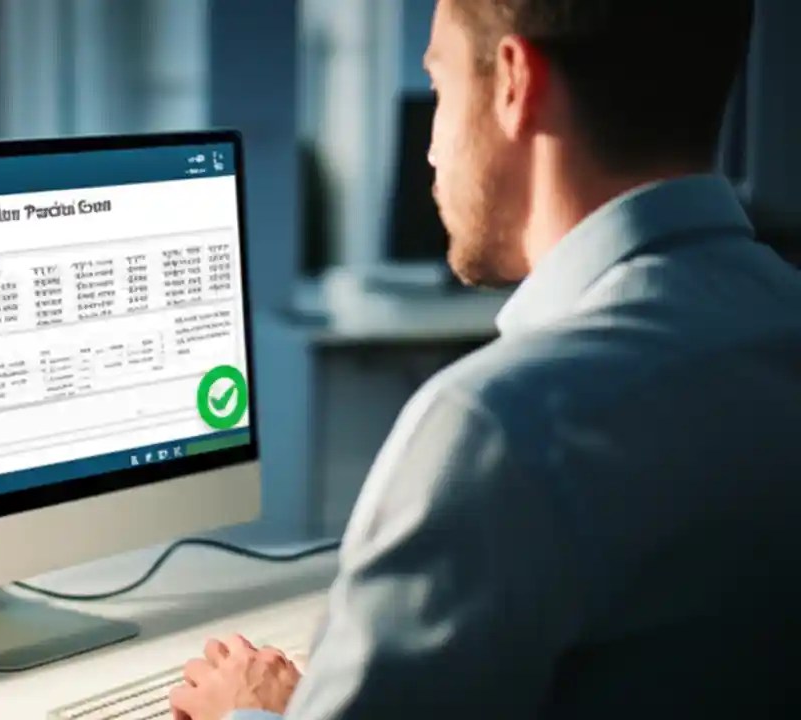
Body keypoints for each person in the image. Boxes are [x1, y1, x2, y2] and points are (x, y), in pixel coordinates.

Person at [171, 0, 801, 718]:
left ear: (513, 83)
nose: (432, 151)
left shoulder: (496, 430)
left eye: (440, 89)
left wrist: (247, 710)